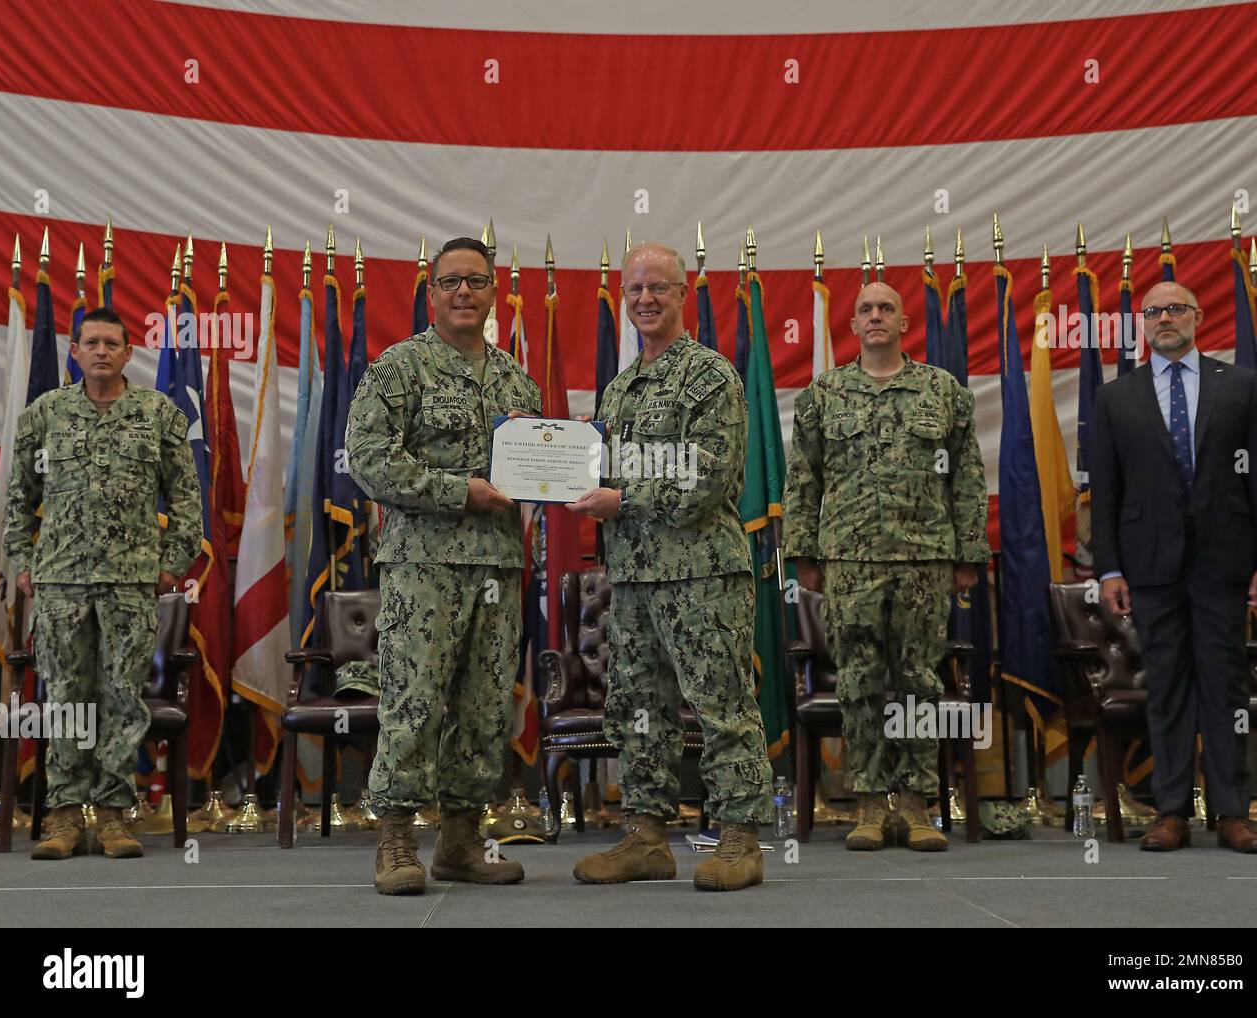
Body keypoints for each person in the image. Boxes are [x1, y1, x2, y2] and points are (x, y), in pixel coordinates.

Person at [567, 242, 773, 891]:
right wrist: (550, 449)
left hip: (702, 575)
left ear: (683, 295)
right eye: (635, 290)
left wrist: (622, 498)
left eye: (659, 288)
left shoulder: (709, 376)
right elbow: (605, 472)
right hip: (632, 579)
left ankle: (739, 838)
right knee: (638, 711)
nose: (646, 300)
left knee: (722, 705)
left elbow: (706, 481)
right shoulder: (621, 387)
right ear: (623, 299)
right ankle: (646, 837)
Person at [346, 237, 542, 894]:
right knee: (415, 698)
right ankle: (396, 836)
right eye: (451, 281)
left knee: (485, 704)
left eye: (477, 281)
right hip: (422, 566)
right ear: (431, 293)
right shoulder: (396, 371)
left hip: (495, 566)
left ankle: (462, 838)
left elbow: (536, 470)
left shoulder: (517, 380)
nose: (465, 292)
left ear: (494, 292)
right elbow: (370, 461)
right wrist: (460, 490)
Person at [783, 281, 988, 852]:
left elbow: (967, 478)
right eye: (866, 310)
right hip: (849, 558)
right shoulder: (824, 394)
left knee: (921, 680)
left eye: (886, 309)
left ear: (904, 323)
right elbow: (804, 479)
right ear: (853, 326)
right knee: (859, 680)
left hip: (925, 558)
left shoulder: (942, 392)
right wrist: (803, 553)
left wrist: (968, 554)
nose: (876, 316)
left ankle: (917, 802)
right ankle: (870, 803)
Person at [1091, 280, 1257, 853]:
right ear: (1142, 324)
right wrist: (1108, 571)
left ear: (1198, 316)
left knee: (1225, 688)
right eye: (1153, 312)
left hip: (1225, 564)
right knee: (1169, 684)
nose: (1164, 318)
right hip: (1150, 566)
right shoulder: (1115, 398)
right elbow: (1104, 493)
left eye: (1175, 308)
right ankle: (1171, 812)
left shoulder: (1242, 387)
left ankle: (1231, 813)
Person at [3, 306, 202, 860]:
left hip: (130, 585)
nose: (101, 352)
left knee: (121, 698)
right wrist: (21, 562)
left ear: (128, 352)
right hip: (59, 584)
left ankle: (114, 817)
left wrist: (171, 564)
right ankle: (65, 818)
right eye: (90, 343)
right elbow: (19, 499)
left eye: (112, 343)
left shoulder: (157, 414)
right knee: (65, 697)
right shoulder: (45, 414)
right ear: (74, 351)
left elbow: (186, 498)